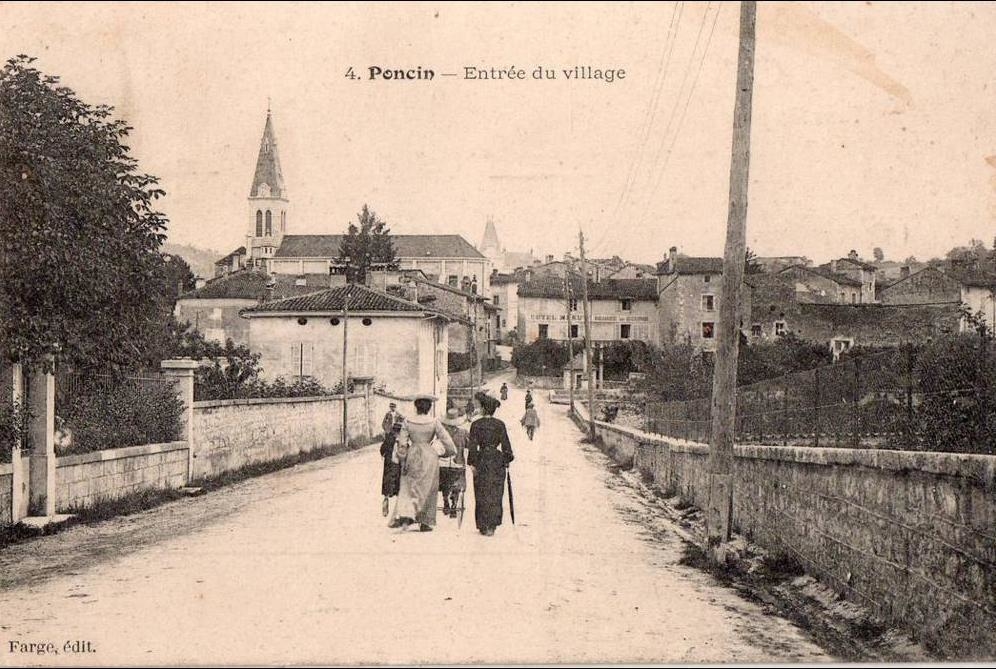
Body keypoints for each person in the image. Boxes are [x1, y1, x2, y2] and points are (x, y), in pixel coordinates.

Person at [390, 394, 456, 532]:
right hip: (429, 455)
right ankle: (425, 522)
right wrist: (447, 452)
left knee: (410, 485)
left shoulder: (407, 421)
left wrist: (402, 458)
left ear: (416, 407)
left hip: (413, 454)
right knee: (429, 487)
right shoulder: (434, 422)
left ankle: (407, 515)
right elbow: (447, 440)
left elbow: (402, 443)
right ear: (429, 408)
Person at [467, 391, 514, 536]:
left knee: (481, 492)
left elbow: (473, 447)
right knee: (495, 493)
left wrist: (472, 464)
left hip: (481, 460)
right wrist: (507, 460)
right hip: (496, 460)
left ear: (482, 408)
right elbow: (506, 446)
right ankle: (492, 525)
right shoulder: (500, 424)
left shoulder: (475, 424)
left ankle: (483, 524)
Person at [439, 408, 469, 517]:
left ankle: (445, 499)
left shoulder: (441, 433)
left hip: (442, 464)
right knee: (457, 484)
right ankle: (454, 504)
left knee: (444, 482)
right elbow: (469, 445)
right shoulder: (463, 433)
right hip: (458, 464)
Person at [379, 416, 404, 517]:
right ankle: (399, 508)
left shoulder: (389, 438)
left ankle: (386, 499)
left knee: (388, 485)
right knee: (399, 486)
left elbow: (382, 450)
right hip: (399, 465)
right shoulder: (404, 440)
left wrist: (384, 454)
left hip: (390, 465)